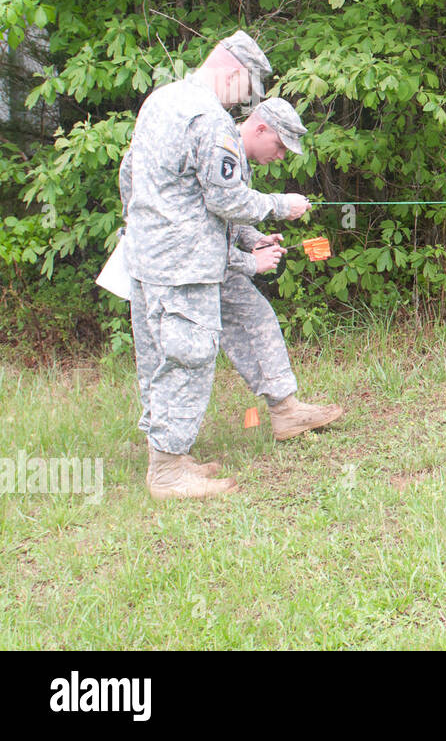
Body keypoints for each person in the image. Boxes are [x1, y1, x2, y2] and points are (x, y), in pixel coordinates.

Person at [119, 30, 310, 500]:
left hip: (147, 258)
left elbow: (129, 175)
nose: (246, 100)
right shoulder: (210, 118)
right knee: (188, 355)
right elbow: (225, 198)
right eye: (248, 88)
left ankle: (173, 456)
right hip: (185, 266)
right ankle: (166, 472)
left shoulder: (160, 101)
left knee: (162, 356)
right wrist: (280, 205)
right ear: (232, 70)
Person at [220, 96, 344, 440]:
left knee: (257, 317)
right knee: (186, 357)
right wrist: (251, 262)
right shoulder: (219, 148)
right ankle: (169, 456)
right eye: (280, 145)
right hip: (187, 271)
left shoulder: (237, 158)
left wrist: (254, 239)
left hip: (216, 264)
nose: (281, 155)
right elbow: (201, 233)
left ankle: (286, 411)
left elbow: (227, 218)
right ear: (260, 128)